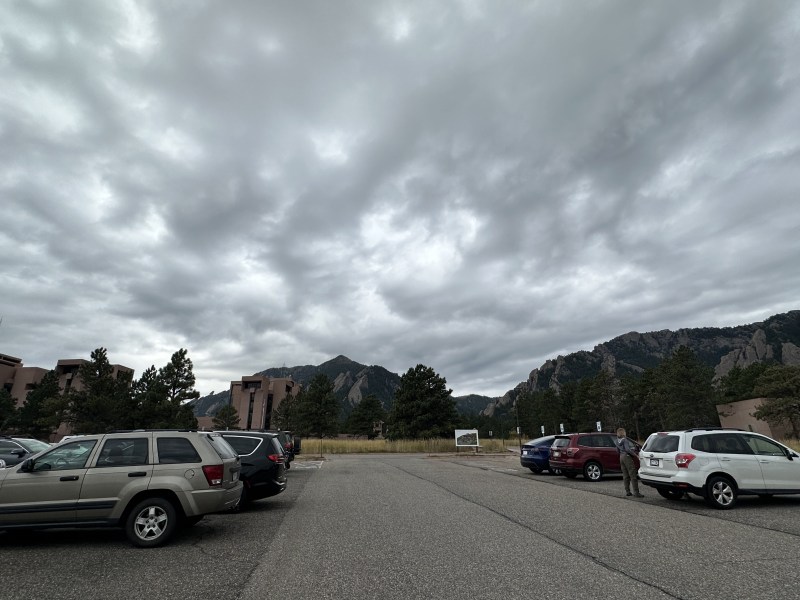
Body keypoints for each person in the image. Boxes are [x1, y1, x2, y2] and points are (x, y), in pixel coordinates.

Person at [616, 427, 643, 498]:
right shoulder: (625, 440)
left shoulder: (617, 441)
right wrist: (635, 455)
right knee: (632, 474)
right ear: (623, 433)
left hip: (621, 457)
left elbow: (617, 451)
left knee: (625, 475)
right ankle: (636, 492)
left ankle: (627, 491)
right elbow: (627, 449)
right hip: (627, 456)